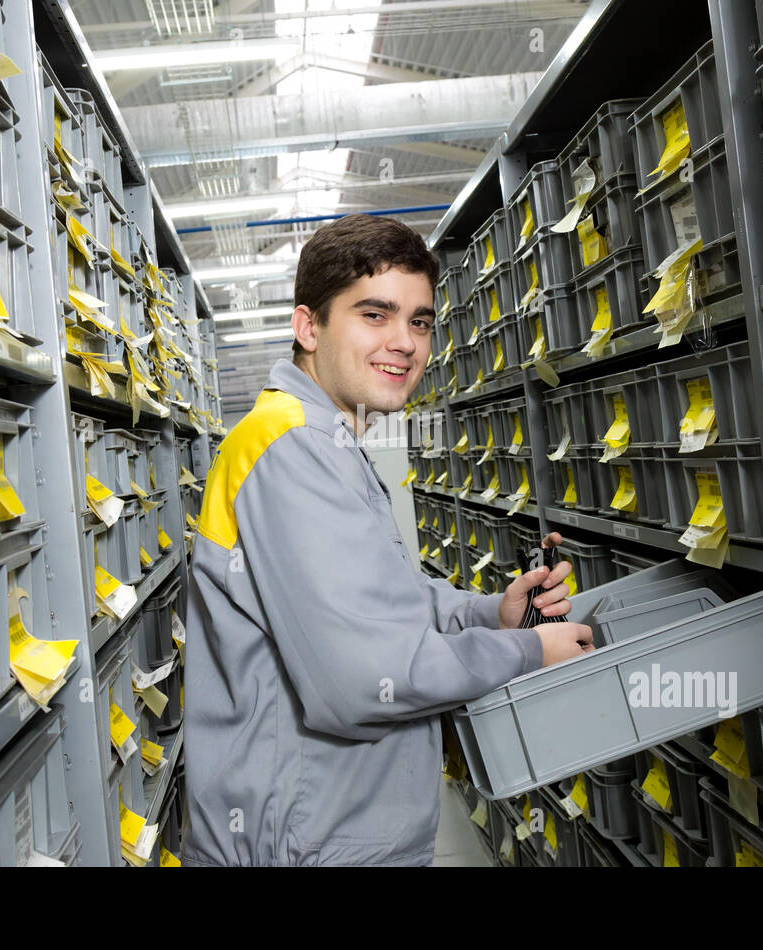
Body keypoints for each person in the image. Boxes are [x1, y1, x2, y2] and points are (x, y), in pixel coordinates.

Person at [179, 213, 593, 867]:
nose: (405, 342)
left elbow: (381, 601)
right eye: (375, 315)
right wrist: (524, 650)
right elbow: (360, 680)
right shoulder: (288, 447)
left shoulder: (328, 438)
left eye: (420, 321)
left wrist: (491, 612)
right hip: (302, 845)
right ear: (307, 326)